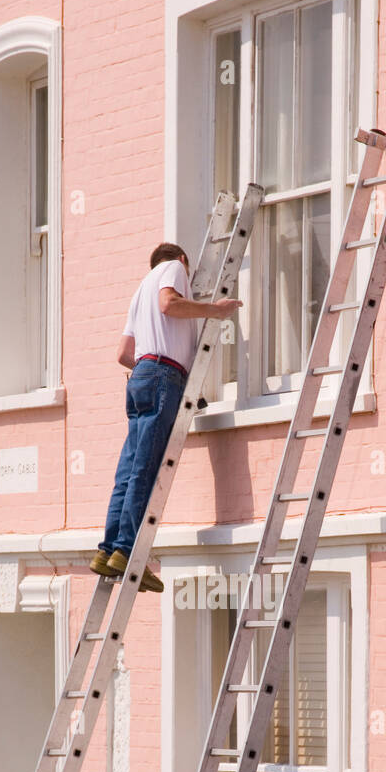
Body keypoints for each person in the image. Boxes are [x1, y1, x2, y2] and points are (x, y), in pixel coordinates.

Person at [90, 242, 241, 592]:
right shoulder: (172, 268)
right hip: (161, 375)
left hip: (141, 375)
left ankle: (108, 549)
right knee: (145, 467)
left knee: (128, 470)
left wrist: (151, 365)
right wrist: (214, 311)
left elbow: (124, 354)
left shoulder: (138, 292)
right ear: (183, 261)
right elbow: (169, 304)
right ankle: (127, 551)